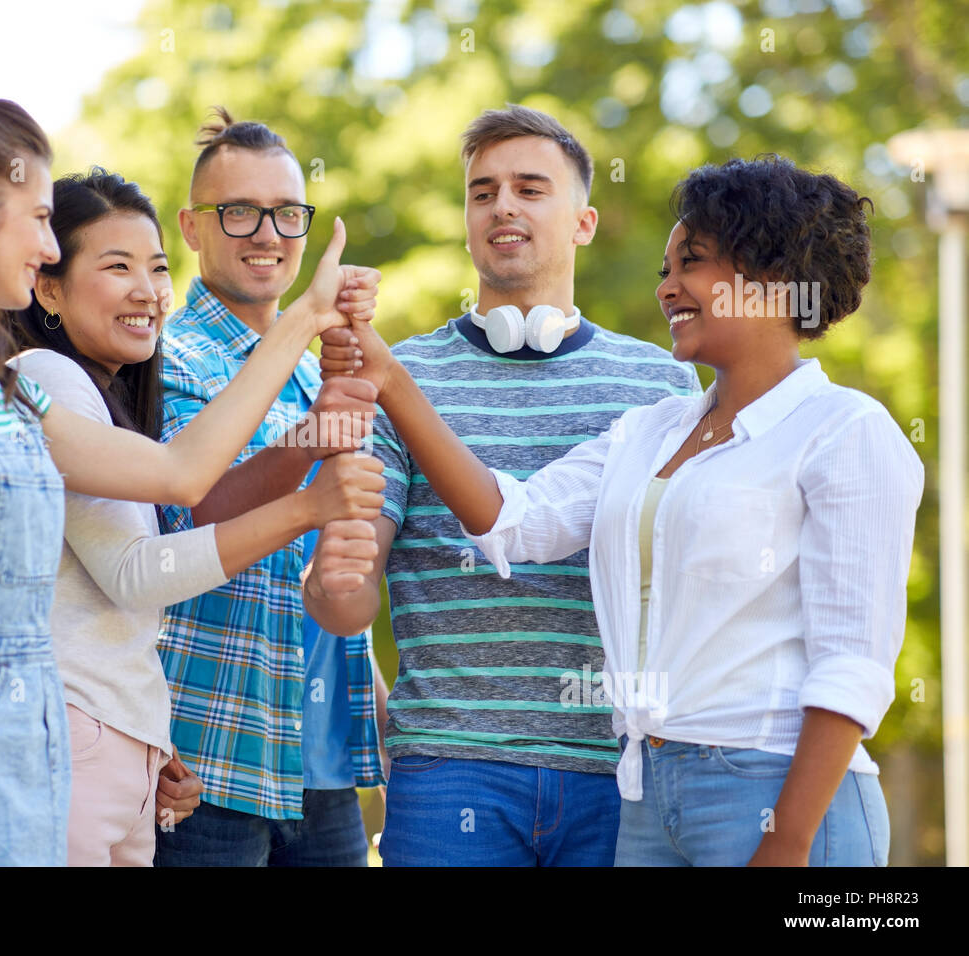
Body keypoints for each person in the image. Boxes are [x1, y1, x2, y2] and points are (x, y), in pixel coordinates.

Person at [0, 70, 379, 866]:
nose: (46, 244)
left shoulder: (7, 395)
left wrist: (306, 321)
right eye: (38, 218)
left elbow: (181, 472)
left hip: (36, 758)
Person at [319, 154, 923, 866]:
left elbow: (852, 664)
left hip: (779, 795)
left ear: (767, 275)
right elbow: (513, 521)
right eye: (665, 269)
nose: (666, 289)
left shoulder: (845, 430)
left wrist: (785, 839)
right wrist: (388, 376)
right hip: (647, 795)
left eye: (689, 263)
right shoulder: (650, 430)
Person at [303, 105, 701, 867]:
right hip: (450, 769)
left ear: (584, 222)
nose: (503, 206)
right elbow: (347, 594)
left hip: (617, 772)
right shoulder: (398, 375)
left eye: (529, 188)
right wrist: (333, 582)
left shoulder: (661, 382)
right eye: (482, 192)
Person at [7, 167, 385, 866]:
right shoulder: (44, 378)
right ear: (48, 286)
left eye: (154, 268)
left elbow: (106, 605)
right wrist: (308, 499)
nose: (148, 289)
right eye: (116, 266)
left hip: (132, 751)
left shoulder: (107, 397)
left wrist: (149, 737)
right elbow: (152, 550)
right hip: (82, 747)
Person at [153, 108, 389, 867]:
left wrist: (388, 725)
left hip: (321, 773)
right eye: (239, 212)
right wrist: (313, 437)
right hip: (206, 761)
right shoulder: (163, 357)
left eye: (287, 214)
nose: (267, 234)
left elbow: (331, 557)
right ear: (192, 228)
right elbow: (195, 512)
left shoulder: (321, 371)